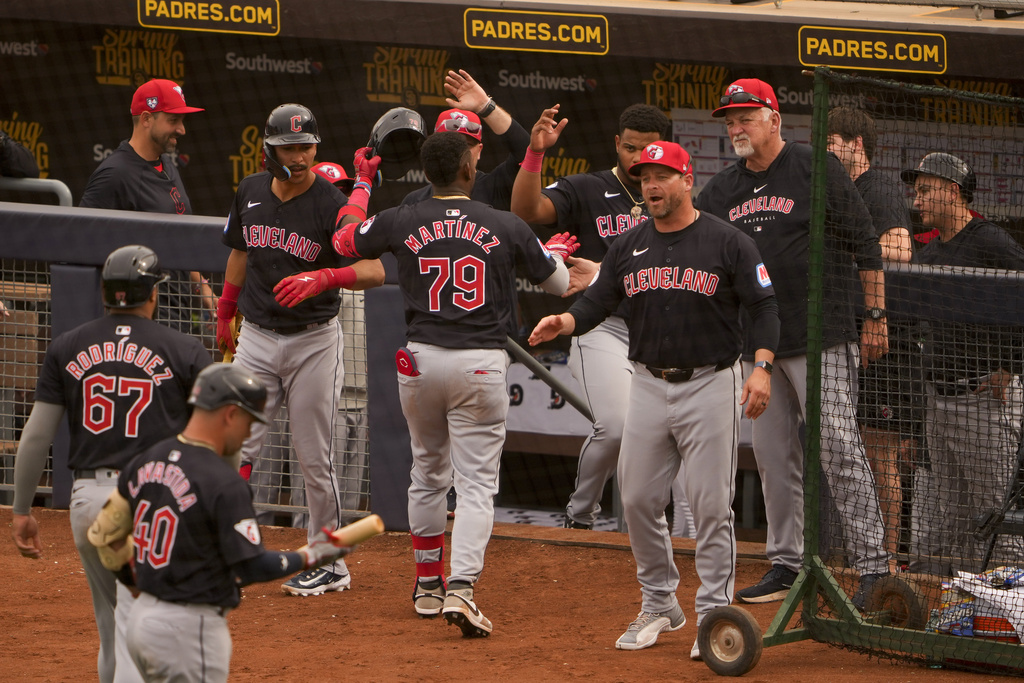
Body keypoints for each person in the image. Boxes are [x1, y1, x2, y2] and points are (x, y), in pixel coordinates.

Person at [528, 141, 779, 659]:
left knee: (710, 506)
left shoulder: (727, 241)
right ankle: (660, 602)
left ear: (688, 180)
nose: (651, 185)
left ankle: (713, 611)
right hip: (646, 381)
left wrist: (762, 368)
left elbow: (764, 307)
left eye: (662, 176)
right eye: (644, 178)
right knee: (639, 499)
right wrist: (565, 321)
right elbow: (598, 302)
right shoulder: (629, 244)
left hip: (710, 382)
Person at [332, 131, 574, 637]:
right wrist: (550, 252)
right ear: (468, 169)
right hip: (480, 364)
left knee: (426, 473)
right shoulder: (504, 222)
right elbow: (558, 284)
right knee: (476, 484)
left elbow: (343, 240)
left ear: (427, 173)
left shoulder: (402, 217)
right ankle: (461, 588)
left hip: (421, 360)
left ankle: (427, 585)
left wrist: (362, 184)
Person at [694, 78, 891, 608]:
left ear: (775, 119)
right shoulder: (721, 190)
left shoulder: (815, 167)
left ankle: (874, 566)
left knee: (839, 448)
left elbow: (866, 244)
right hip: (759, 348)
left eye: (746, 117)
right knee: (772, 457)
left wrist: (876, 315)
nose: (736, 128)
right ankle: (787, 562)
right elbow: (698, 253)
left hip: (821, 334)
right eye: (730, 121)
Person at [10, 245, 212, 683]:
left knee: (113, 627)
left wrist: (22, 509)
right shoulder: (185, 349)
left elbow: (37, 436)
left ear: (104, 291)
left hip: (88, 503)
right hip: (152, 502)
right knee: (142, 629)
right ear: (153, 293)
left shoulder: (67, 346)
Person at [86, 363, 353, 682]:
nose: (248, 434)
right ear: (230, 414)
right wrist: (311, 555)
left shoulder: (146, 459)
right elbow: (252, 566)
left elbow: (104, 535)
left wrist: (132, 582)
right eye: (248, 423)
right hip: (188, 631)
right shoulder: (223, 482)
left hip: (140, 623)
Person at [216, 103, 385, 597]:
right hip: (256, 337)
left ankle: (330, 563)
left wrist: (326, 276)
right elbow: (240, 250)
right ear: (268, 151)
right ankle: (227, 548)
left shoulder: (331, 202)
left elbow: (375, 270)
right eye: (289, 148)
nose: (299, 156)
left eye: (306, 146)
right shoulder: (250, 190)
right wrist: (226, 308)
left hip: (313, 340)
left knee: (314, 457)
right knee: (235, 448)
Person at [511, 102, 671, 530]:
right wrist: (535, 153)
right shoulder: (588, 187)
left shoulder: (675, 197)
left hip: (659, 332)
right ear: (617, 143)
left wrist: (602, 271)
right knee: (615, 426)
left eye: (647, 150)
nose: (637, 159)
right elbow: (526, 211)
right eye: (630, 148)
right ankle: (581, 513)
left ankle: (652, 527)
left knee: (666, 436)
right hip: (603, 326)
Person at [902, 152, 1024, 573]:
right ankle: (961, 603)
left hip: (982, 400)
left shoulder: (990, 241)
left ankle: (1005, 603)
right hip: (938, 402)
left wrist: (1013, 367)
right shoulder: (931, 252)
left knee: (993, 519)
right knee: (952, 519)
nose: (917, 200)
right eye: (916, 191)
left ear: (953, 192)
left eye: (925, 190)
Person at [828, 106, 916, 561]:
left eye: (832, 144)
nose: (826, 153)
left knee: (880, 456)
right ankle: (861, 556)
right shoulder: (840, 190)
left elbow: (900, 248)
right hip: (853, 335)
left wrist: (840, 248)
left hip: (887, 341)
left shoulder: (877, 187)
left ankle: (887, 562)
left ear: (856, 144)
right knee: (850, 451)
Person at [79, 79, 216, 335]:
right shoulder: (114, 174)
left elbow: (180, 236)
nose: (182, 129)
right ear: (146, 119)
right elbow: (80, 247)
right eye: (173, 120)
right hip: (140, 323)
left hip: (179, 315)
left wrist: (203, 290)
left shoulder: (167, 164)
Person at [402, 69, 529, 212]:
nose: (458, 150)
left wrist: (484, 106)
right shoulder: (414, 201)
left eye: (467, 145)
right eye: (450, 143)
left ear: (479, 151)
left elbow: (526, 151)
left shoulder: (494, 187)